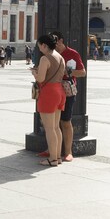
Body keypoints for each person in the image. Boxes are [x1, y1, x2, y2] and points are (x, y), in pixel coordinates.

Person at [51, 34, 87, 162]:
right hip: (52, 90)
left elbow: (82, 72)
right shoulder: (51, 54)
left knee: (65, 121)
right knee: (51, 122)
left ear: (61, 40)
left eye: (54, 41)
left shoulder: (72, 53)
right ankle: (52, 150)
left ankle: (68, 152)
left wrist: (68, 72)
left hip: (67, 91)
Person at [33, 34, 66, 166]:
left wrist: (34, 73)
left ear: (44, 45)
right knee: (56, 127)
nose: (39, 48)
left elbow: (41, 79)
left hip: (49, 93)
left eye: (39, 46)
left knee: (49, 128)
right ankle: (57, 157)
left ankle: (52, 159)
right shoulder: (60, 57)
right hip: (59, 91)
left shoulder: (45, 58)